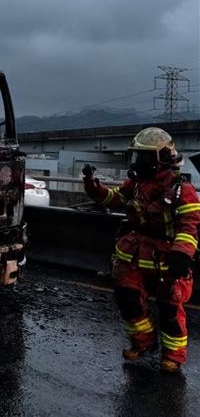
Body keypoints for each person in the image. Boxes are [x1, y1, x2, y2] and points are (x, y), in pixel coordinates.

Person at [83, 127, 197, 373]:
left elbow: (190, 225)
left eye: (144, 158)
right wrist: (93, 186)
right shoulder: (135, 184)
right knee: (128, 298)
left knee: (169, 309)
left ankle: (173, 357)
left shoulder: (181, 189)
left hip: (166, 258)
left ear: (162, 158)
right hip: (135, 255)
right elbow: (112, 198)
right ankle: (143, 343)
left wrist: (182, 253)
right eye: (136, 157)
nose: (138, 163)